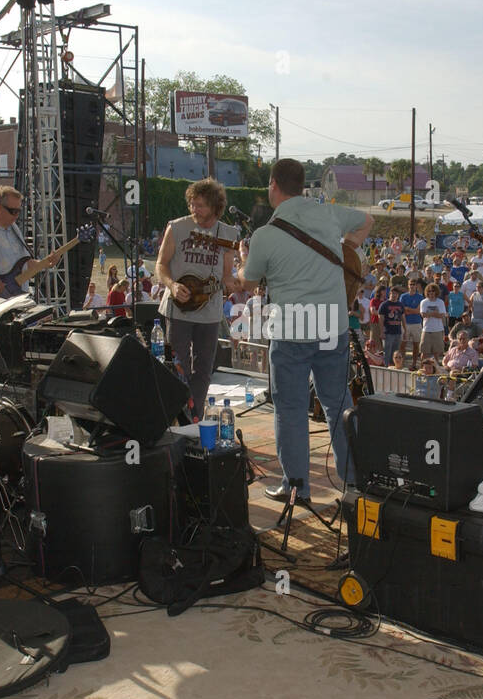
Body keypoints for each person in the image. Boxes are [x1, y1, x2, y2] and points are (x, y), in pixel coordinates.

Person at [238, 159, 372, 502]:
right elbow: (367, 219)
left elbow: (247, 281)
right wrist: (349, 247)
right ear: (303, 185)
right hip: (332, 324)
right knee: (338, 402)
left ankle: (296, 486)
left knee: (292, 410)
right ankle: (354, 483)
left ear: (273, 185)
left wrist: (243, 257)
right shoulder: (327, 214)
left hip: (292, 330)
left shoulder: (265, 236)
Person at [155, 179, 241, 413]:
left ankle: (195, 415)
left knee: (204, 368)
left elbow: (226, 277)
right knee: (177, 365)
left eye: (200, 205)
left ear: (215, 206)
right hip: (178, 308)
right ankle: (175, 414)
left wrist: (236, 282)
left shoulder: (228, 233)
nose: (194, 209)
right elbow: (161, 265)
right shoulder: (177, 227)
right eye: (192, 204)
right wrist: (172, 285)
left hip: (209, 312)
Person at [0, 186, 63, 296]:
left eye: (18, 211)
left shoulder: (14, 229)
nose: (16, 216)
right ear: (0, 208)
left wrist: (46, 263)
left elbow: (25, 264)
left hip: (18, 295)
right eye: (13, 211)